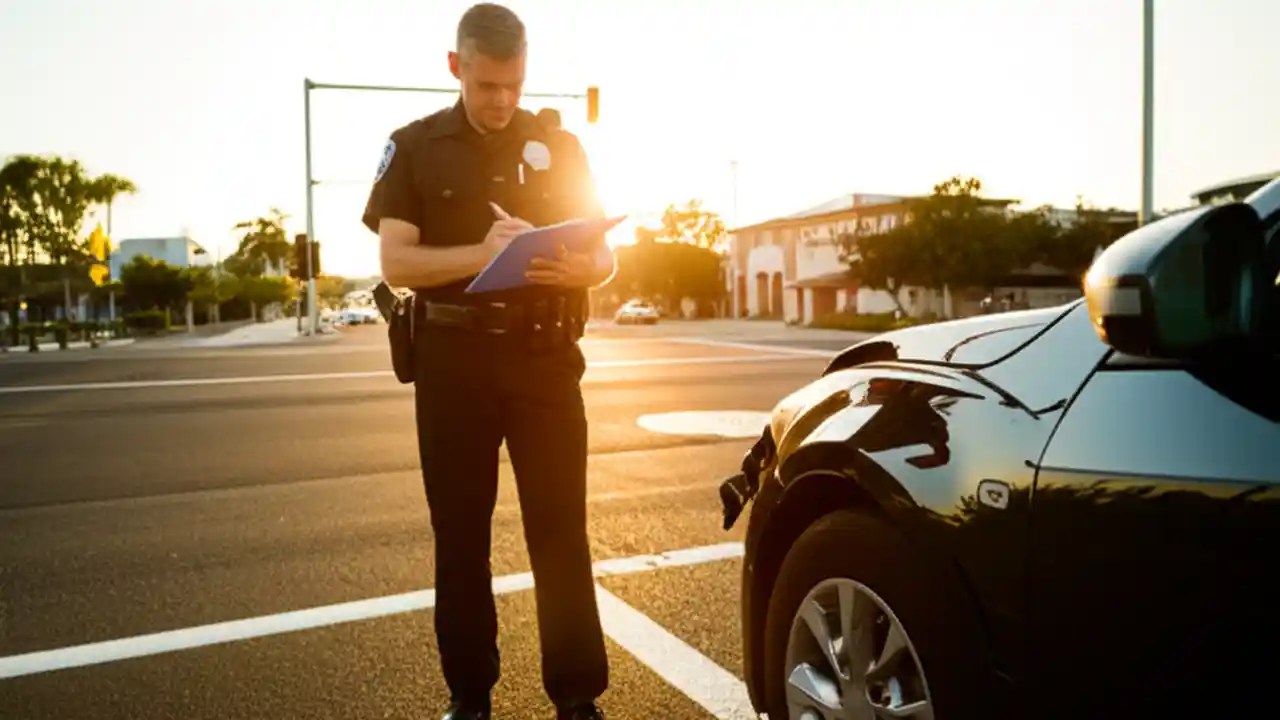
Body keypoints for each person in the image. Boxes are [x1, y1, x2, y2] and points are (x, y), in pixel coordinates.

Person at [361, 4, 612, 720]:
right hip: (452, 364)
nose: (502, 101)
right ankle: (469, 695)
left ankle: (577, 696)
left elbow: (604, 256)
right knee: (461, 534)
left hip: (543, 359)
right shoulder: (412, 147)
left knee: (561, 528)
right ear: (456, 67)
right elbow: (397, 258)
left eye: (514, 84)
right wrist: (489, 254)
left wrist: (569, 266)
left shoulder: (557, 146)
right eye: (487, 85)